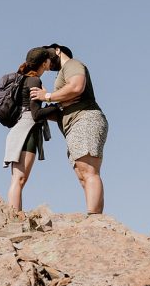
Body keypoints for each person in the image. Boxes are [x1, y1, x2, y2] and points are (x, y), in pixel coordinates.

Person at [30, 43, 108, 214]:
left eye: (48, 56)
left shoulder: (72, 64)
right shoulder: (62, 72)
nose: (47, 63)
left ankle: (95, 220)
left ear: (57, 50)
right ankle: (94, 218)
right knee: (83, 175)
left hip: (85, 118)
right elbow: (62, 109)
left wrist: (48, 96)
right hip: (74, 124)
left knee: (89, 172)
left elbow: (76, 86)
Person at [4, 47, 61, 212]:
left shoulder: (22, 79)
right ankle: (15, 216)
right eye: (49, 60)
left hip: (18, 129)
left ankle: (15, 215)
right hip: (27, 131)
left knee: (17, 179)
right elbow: (36, 114)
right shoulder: (34, 81)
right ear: (44, 63)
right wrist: (58, 107)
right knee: (19, 180)